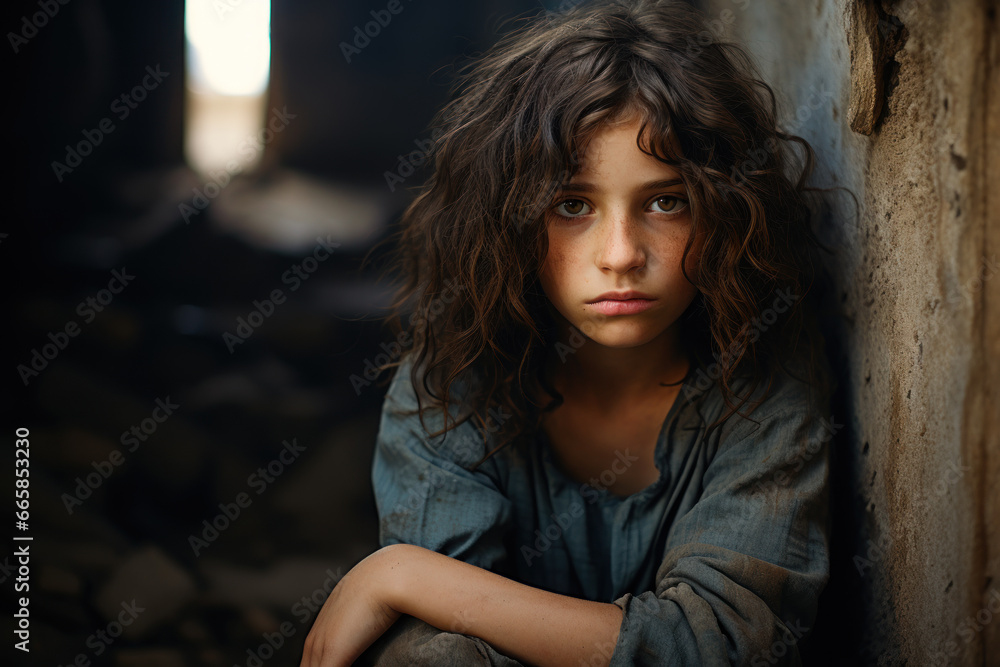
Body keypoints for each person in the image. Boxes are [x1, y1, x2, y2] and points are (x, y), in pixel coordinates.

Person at [301, 0, 839, 664]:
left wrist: (404, 574)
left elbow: (722, 646)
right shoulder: (450, 383)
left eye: (666, 201)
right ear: (507, 220)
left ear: (726, 212)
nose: (621, 254)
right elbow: (442, 644)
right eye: (573, 205)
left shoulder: (764, 380)